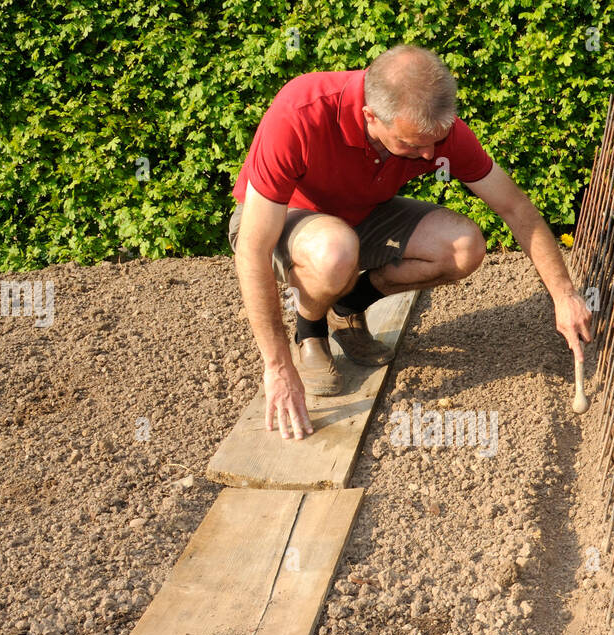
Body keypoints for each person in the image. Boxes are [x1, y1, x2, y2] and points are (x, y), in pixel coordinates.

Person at [229, 44, 592, 440]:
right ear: (371, 116)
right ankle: (310, 327)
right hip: (287, 221)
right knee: (336, 252)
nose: (429, 154)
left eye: (434, 142)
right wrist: (278, 366)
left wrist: (564, 294)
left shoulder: (434, 130)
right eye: (413, 144)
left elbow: (516, 208)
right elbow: (252, 248)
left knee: (464, 246)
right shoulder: (301, 113)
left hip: (360, 216)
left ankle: (348, 304)